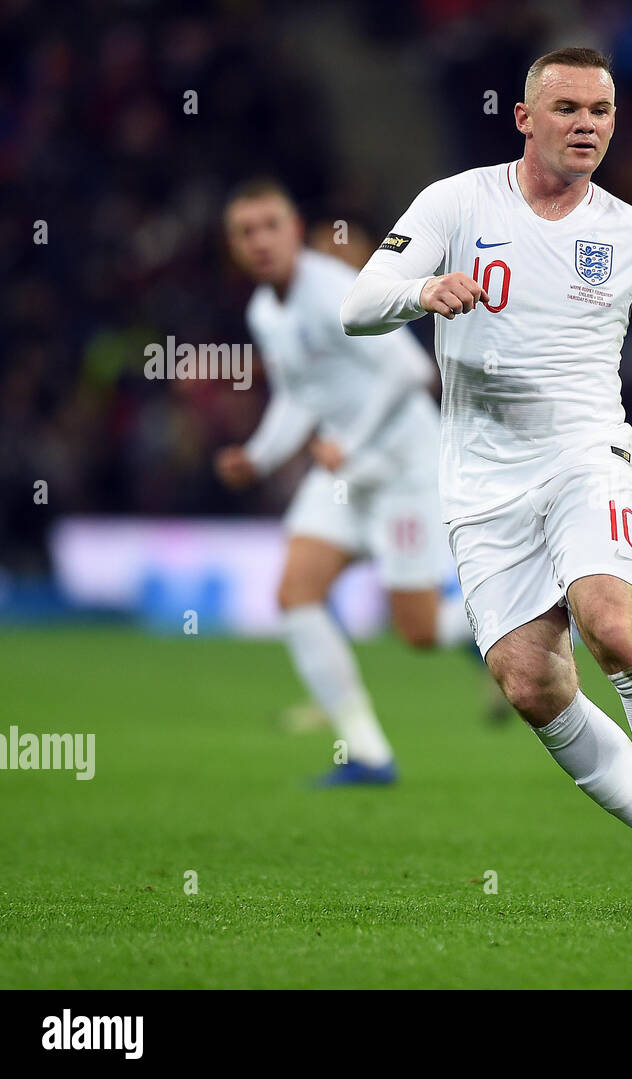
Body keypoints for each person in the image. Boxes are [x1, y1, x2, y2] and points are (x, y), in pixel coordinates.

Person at [341, 48, 632, 913]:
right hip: (480, 483)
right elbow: (357, 304)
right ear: (525, 119)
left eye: (601, 111)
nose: (587, 125)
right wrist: (423, 291)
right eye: (568, 109)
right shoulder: (457, 203)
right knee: (529, 683)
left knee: (614, 628)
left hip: (588, 457)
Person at [216, 179, 474, 785]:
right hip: (343, 478)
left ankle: (530, 606)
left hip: (403, 472)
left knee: (420, 633)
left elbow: (412, 369)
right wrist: (257, 456)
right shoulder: (264, 310)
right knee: (295, 596)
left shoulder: (333, 290)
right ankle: (367, 754)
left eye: (270, 226)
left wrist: (350, 444)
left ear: (294, 228)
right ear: (233, 246)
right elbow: (299, 399)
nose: (259, 241)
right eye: (245, 232)